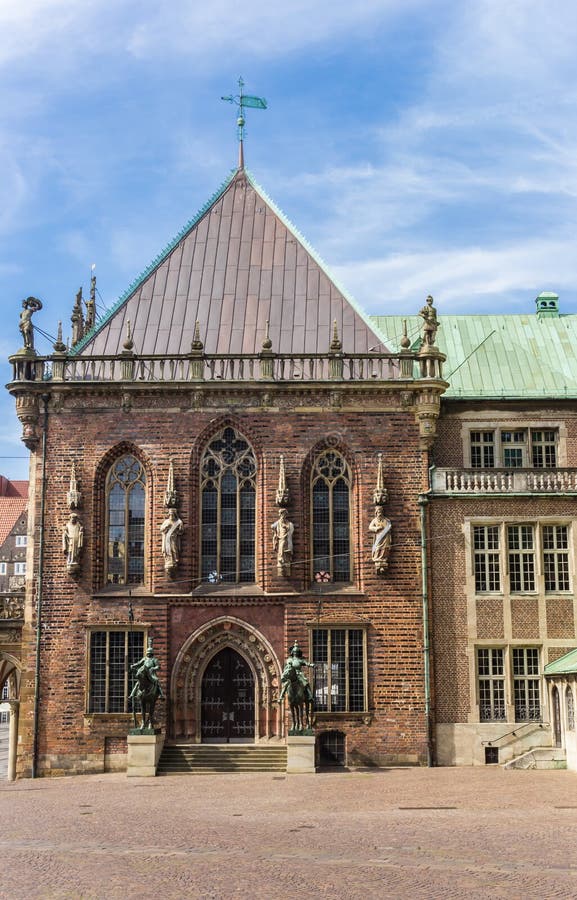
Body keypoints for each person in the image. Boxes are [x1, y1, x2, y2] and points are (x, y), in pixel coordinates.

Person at [369, 506, 392, 572]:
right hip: (379, 537)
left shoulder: (386, 520)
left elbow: (389, 526)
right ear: (376, 513)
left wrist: (387, 528)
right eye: (378, 512)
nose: (380, 513)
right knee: (378, 547)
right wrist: (376, 528)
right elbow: (370, 527)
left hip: (386, 537)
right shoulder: (375, 520)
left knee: (385, 548)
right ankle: (377, 558)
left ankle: (383, 558)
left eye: (381, 512)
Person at [160, 508, 184, 572]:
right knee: (167, 549)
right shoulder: (166, 521)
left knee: (174, 549)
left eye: (173, 514)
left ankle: (174, 560)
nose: (171, 516)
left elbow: (181, 531)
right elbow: (161, 529)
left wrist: (179, 529)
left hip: (174, 538)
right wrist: (166, 527)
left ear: (175, 514)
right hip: (167, 538)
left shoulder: (179, 522)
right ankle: (168, 561)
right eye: (170, 514)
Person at [271, 508, 294, 574]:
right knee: (281, 547)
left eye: (284, 514)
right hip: (281, 538)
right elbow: (272, 526)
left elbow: (290, 528)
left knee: (286, 548)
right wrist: (275, 532)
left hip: (286, 538)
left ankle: (286, 560)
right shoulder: (278, 522)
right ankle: (281, 559)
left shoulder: (288, 523)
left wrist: (286, 527)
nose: (283, 515)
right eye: (281, 514)